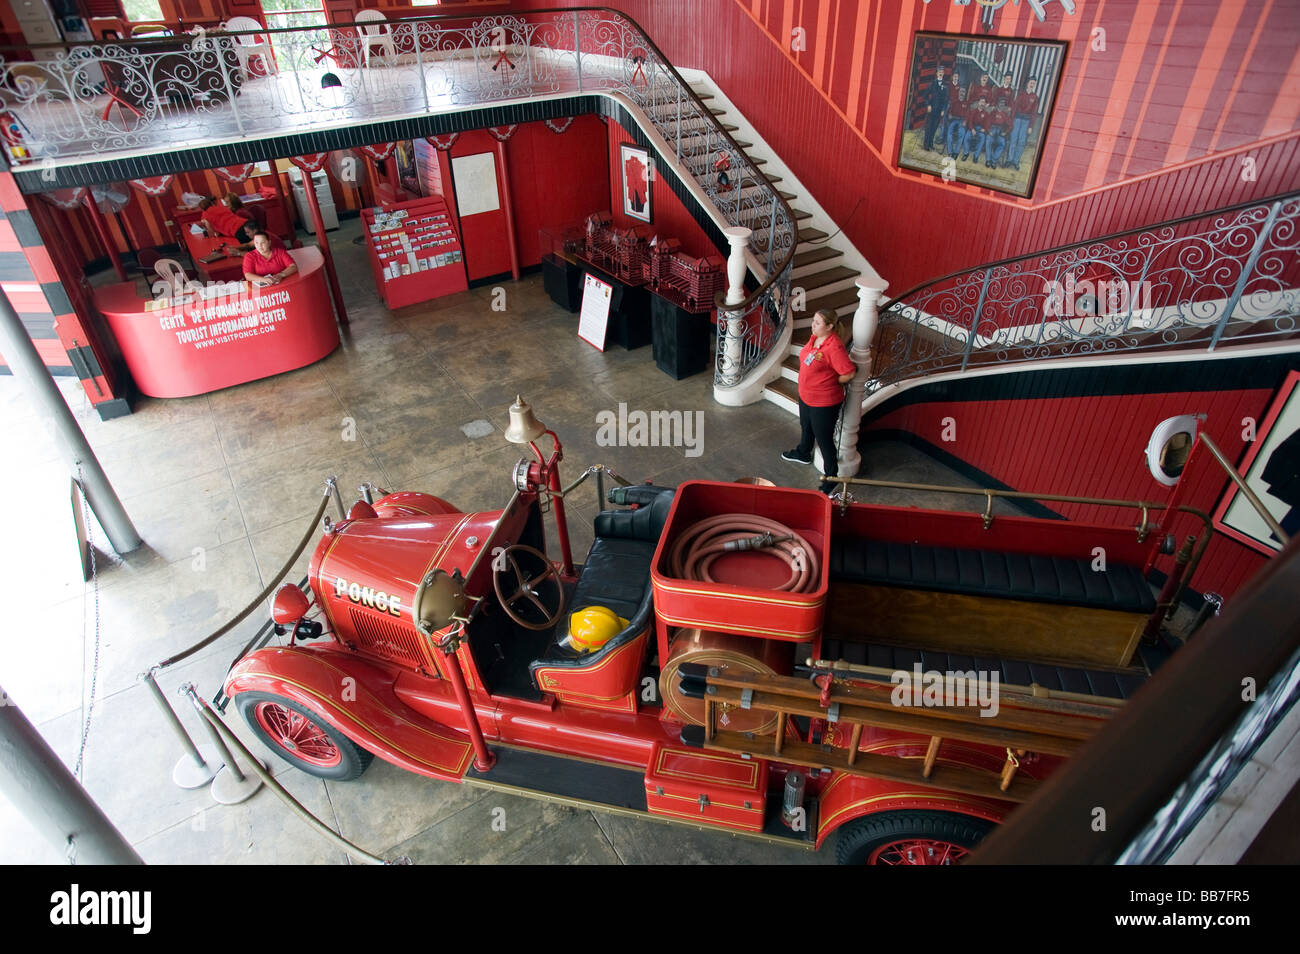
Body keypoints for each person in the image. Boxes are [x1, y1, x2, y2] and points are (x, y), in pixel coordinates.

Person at [782, 309, 857, 495]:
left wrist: (831, 381)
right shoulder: (815, 338)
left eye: (817, 323)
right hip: (806, 395)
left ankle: (832, 477)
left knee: (824, 439)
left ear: (830, 326)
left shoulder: (834, 347)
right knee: (806, 426)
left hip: (824, 401)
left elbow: (849, 372)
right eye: (813, 321)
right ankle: (803, 452)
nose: (813, 325)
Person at [1009, 77, 1040, 170]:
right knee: (1013, 140)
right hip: (1017, 119)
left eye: (1033, 83)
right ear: (1027, 83)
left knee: (1021, 142)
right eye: (1031, 82)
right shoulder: (1021, 94)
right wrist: (1011, 120)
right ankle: (1009, 160)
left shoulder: (1035, 97)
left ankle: (1016, 161)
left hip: (1026, 122)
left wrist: (1030, 126)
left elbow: (1034, 113)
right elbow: (1014, 107)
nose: (1032, 84)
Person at [922, 64, 948, 152]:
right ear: (936, 73)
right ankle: (926, 144)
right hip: (932, 109)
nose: (941, 73)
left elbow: (946, 99)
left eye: (942, 72)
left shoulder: (946, 85)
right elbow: (925, 96)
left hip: (939, 110)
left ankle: (930, 144)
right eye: (939, 72)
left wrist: (944, 110)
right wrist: (928, 105)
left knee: (934, 128)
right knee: (929, 127)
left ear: (943, 73)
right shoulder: (932, 84)